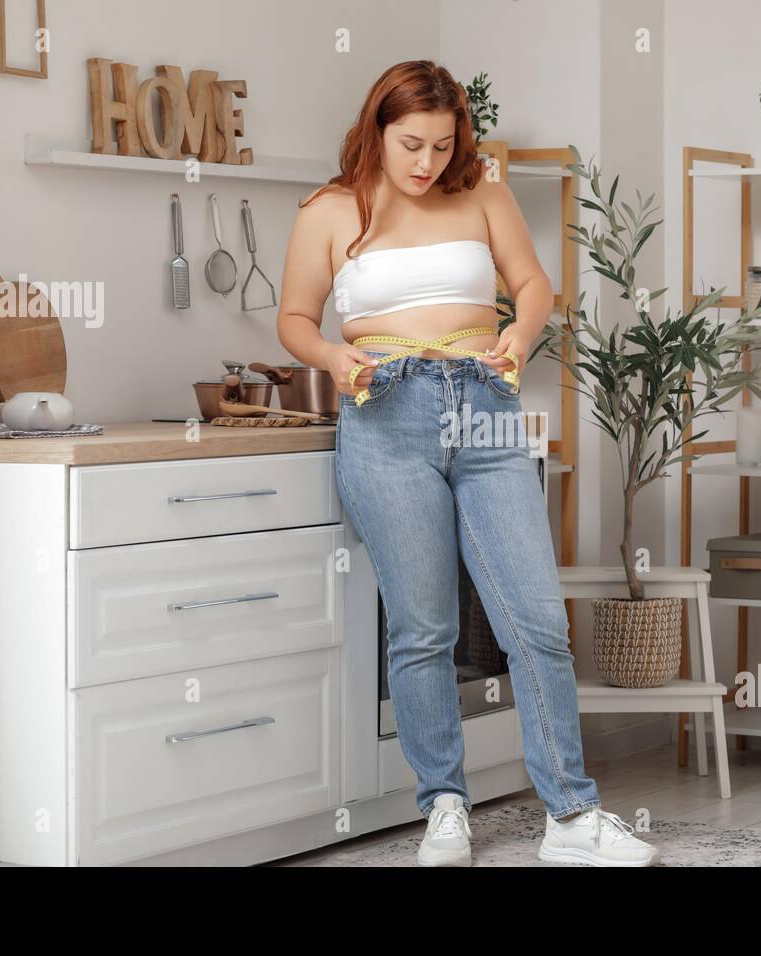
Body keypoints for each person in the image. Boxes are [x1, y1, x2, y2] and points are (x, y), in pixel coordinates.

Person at [276, 60, 658, 867]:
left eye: (442, 146)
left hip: (484, 408)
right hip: (385, 414)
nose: (425, 162)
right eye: (411, 144)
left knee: (538, 624)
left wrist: (519, 338)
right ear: (376, 128)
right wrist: (334, 358)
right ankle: (445, 807)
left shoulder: (482, 190)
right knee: (424, 629)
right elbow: (295, 318)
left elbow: (532, 285)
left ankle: (571, 819)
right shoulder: (329, 210)